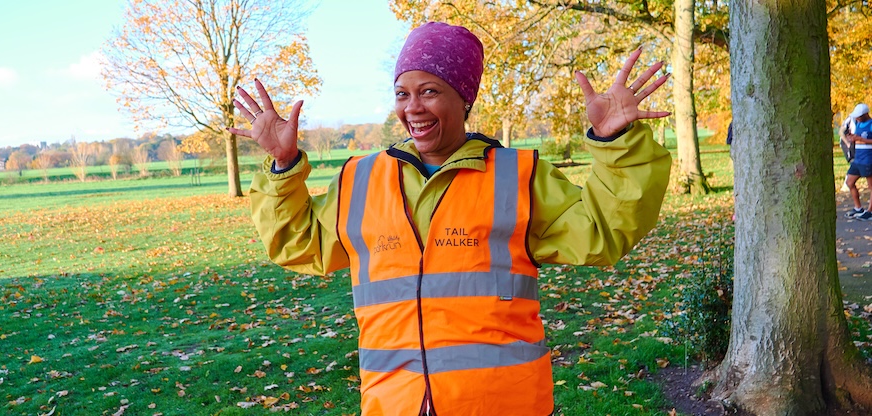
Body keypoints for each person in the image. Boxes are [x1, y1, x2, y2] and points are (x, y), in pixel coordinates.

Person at [229, 22, 672, 416]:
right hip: (392, 402)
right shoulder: (359, 179)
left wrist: (617, 142)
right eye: (402, 93)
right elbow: (298, 242)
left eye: (429, 91)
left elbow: (603, 230)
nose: (412, 108)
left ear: (465, 99)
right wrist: (283, 166)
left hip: (501, 403)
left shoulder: (518, 177)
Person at [843, 103, 872, 220]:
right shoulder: (858, 123)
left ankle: (870, 211)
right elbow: (857, 138)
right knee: (850, 182)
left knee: (871, 186)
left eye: (859, 116)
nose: (857, 118)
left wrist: (861, 139)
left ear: (866, 114)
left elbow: (866, 140)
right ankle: (858, 207)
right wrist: (852, 138)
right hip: (858, 159)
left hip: (868, 159)